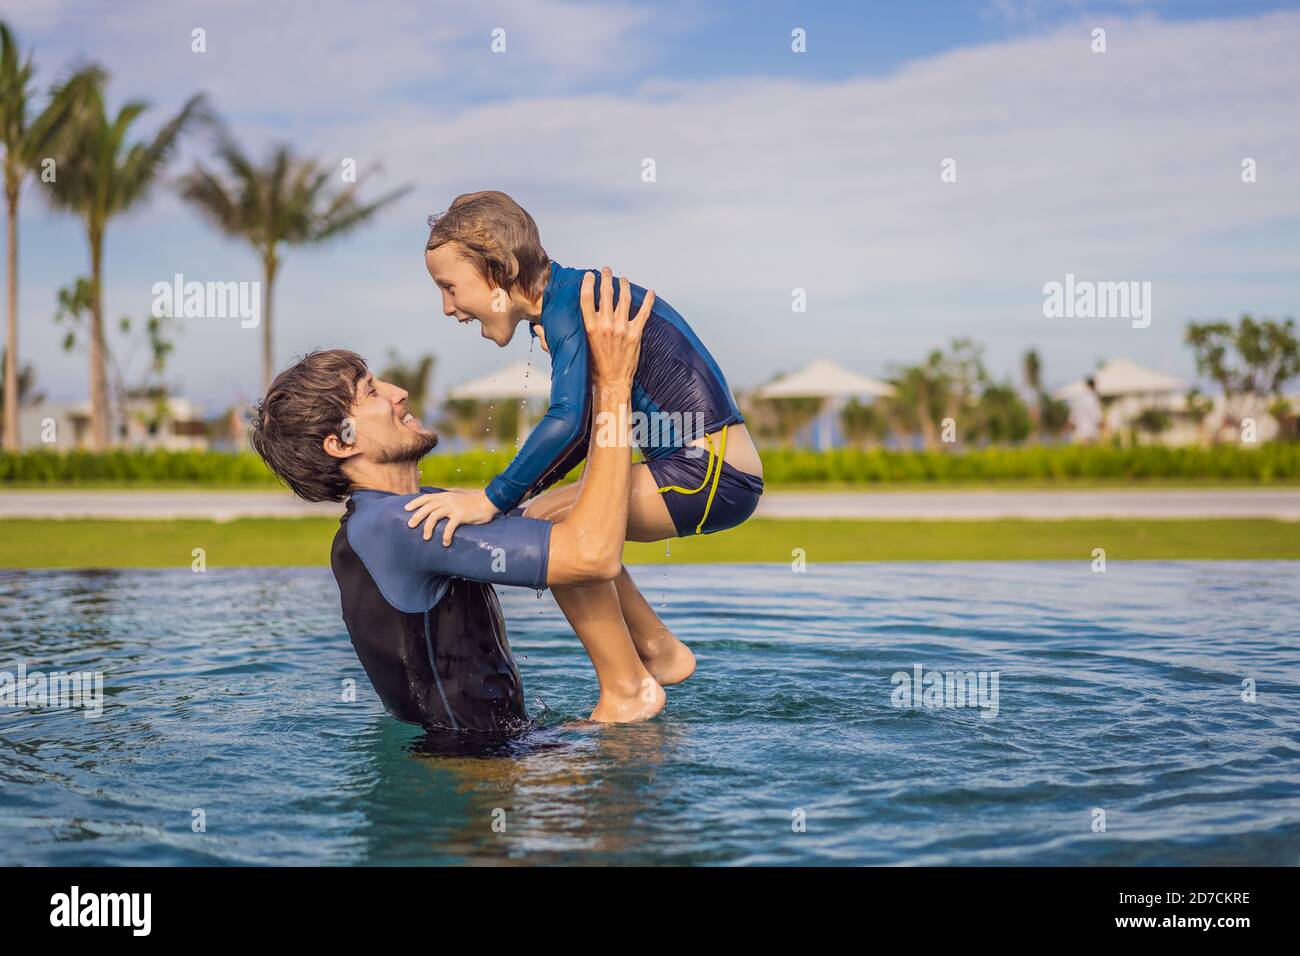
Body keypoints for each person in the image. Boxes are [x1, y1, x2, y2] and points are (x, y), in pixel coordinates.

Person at [249, 269, 665, 727]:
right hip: (471, 775)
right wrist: (613, 387)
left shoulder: (408, 513)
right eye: (371, 392)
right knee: (639, 759)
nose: (399, 394)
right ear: (341, 442)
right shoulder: (400, 526)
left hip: (493, 756)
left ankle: (648, 660)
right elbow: (593, 555)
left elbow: (563, 531)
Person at [413, 190, 764, 687]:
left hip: (710, 474)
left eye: (450, 287)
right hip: (712, 470)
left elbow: (570, 421)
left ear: (499, 270)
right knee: (545, 518)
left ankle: (631, 682)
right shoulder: (566, 301)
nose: (448, 307)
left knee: (551, 528)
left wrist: (492, 499)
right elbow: (585, 435)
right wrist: (515, 497)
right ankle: (657, 653)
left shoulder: (573, 304)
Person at [1069, 375, 1104, 445]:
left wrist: (1072, 421)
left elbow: (1074, 413)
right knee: (1090, 446)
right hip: (1091, 427)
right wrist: (1102, 424)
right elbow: (1096, 414)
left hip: (1080, 427)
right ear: (1094, 385)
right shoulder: (1093, 397)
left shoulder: (1080, 396)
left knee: (1084, 446)